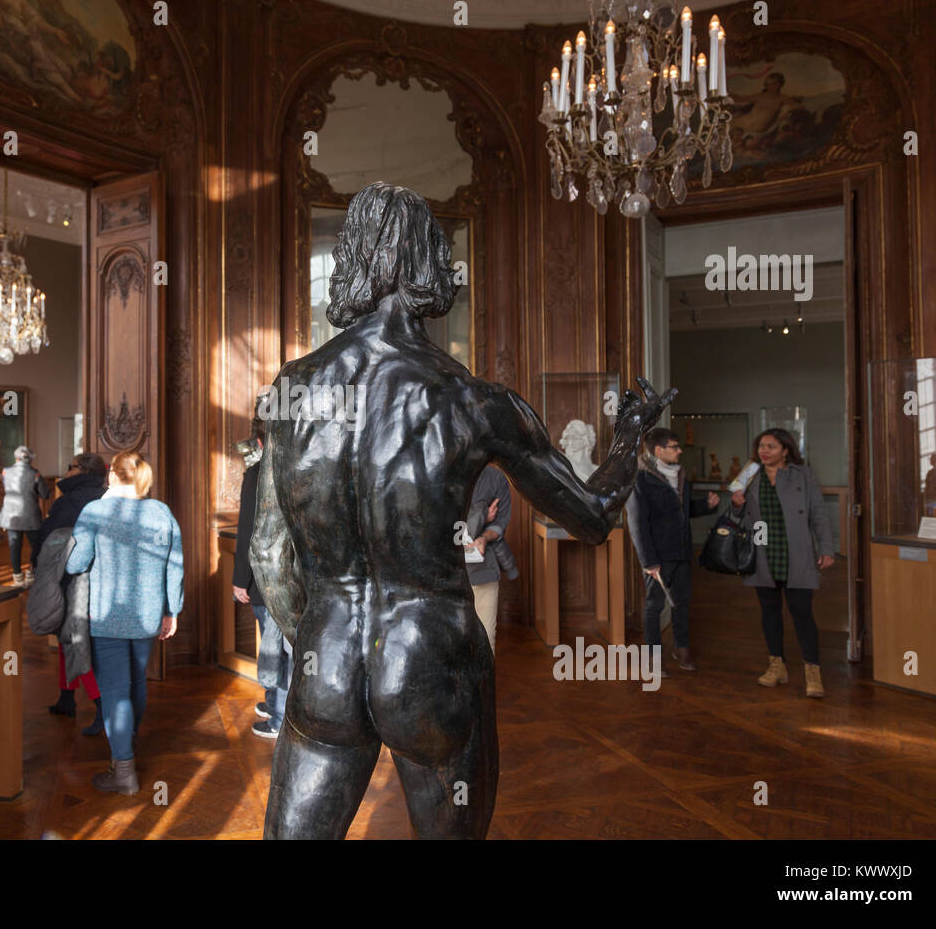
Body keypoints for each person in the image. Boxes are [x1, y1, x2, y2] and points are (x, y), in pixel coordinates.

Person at [249, 181, 673, 839]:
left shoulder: (292, 389)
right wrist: (629, 434)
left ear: (353, 260)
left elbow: (269, 555)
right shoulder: (475, 400)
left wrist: (316, 637)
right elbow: (593, 515)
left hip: (325, 660)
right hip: (430, 660)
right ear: (430, 265)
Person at [67, 451, 184, 795]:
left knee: (115, 690)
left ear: (114, 477)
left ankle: (123, 769)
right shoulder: (161, 513)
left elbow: (76, 563)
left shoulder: (95, 512)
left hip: (107, 615)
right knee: (137, 682)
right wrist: (171, 611)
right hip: (148, 614)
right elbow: (174, 566)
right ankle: (126, 741)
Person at [729, 428, 835, 698]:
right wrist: (737, 504)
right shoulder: (749, 472)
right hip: (763, 549)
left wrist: (826, 548)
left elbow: (818, 514)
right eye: (762, 446)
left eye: (771, 447)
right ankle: (776, 665)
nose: (764, 451)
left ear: (786, 450)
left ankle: (813, 671)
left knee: (802, 613)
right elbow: (733, 512)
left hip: (796, 550)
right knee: (769, 611)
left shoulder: (803, 474)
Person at [623, 428, 719, 673]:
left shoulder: (680, 475)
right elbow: (637, 524)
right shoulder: (640, 478)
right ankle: (653, 659)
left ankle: (682, 649)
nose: (679, 451)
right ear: (658, 450)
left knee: (682, 603)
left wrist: (706, 506)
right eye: (674, 447)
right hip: (657, 555)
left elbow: (683, 510)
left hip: (683, 552)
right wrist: (648, 560)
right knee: (655, 606)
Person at [233, 404, 292, 739]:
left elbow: (247, 532)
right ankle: (274, 705)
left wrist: (241, 579)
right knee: (285, 647)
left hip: (264, 578)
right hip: (294, 578)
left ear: (258, 443)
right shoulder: (299, 471)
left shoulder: (256, 475)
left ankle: (279, 718)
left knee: (276, 649)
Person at [38, 453, 107, 733]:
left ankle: (102, 707)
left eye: (71, 466)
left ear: (82, 471)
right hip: (99, 580)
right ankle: (66, 697)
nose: (66, 471)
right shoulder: (106, 498)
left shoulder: (69, 502)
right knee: (71, 639)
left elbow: (50, 541)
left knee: (77, 642)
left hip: (72, 580)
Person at [463, 465, 517, 656]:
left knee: (486, 641)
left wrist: (484, 537)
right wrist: (482, 515)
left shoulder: (495, 478)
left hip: (483, 570)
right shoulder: (442, 472)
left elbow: (500, 524)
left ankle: (484, 686)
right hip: (446, 573)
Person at [0, 445, 51, 586]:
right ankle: (31, 574)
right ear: (30, 460)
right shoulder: (35, 474)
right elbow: (45, 494)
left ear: (16, 458)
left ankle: (17, 578)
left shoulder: (5, 472)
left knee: (14, 546)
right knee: (35, 546)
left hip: (11, 515)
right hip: (31, 516)